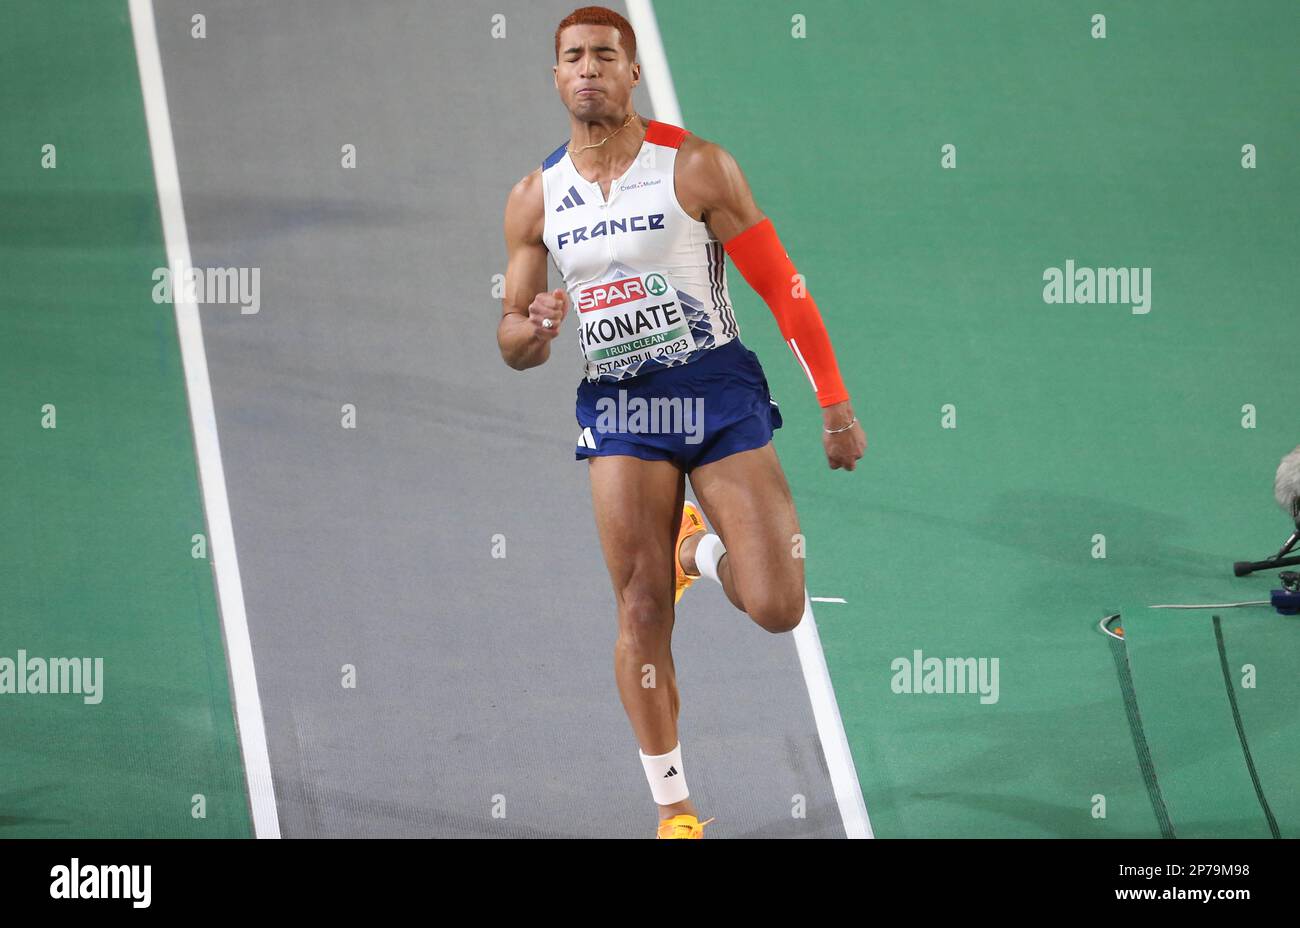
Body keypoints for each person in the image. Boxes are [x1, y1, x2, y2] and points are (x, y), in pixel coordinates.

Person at [498, 6, 866, 839]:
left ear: (633, 73)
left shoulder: (696, 167)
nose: (588, 69)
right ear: (556, 78)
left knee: (778, 605)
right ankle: (674, 807)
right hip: (623, 408)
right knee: (639, 609)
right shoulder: (534, 199)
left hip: (716, 390)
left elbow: (784, 288)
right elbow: (512, 340)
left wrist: (834, 403)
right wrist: (538, 325)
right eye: (572, 59)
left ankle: (697, 546)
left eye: (604, 56)